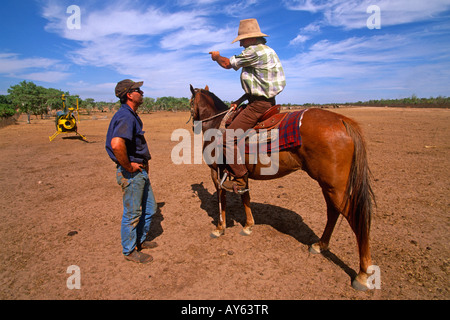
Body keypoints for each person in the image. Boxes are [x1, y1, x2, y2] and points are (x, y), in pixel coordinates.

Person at [209, 18, 286, 193]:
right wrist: (239, 100)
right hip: (263, 101)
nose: (241, 44)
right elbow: (260, 84)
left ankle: (240, 178)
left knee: (227, 138)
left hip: (258, 105)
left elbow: (228, 64)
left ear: (251, 38)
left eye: (242, 40)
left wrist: (216, 57)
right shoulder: (268, 51)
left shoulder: (254, 51)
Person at [106, 79, 158, 264]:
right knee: (132, 214)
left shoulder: (130, 115)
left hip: (140, 172)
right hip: (132, 173)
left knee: (150, 208)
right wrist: (128, 167)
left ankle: (139, 241)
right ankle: (129, 251)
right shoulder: (126, 116)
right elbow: (116, 144)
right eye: (138, 90)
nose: (142, 93)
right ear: (129, 94)